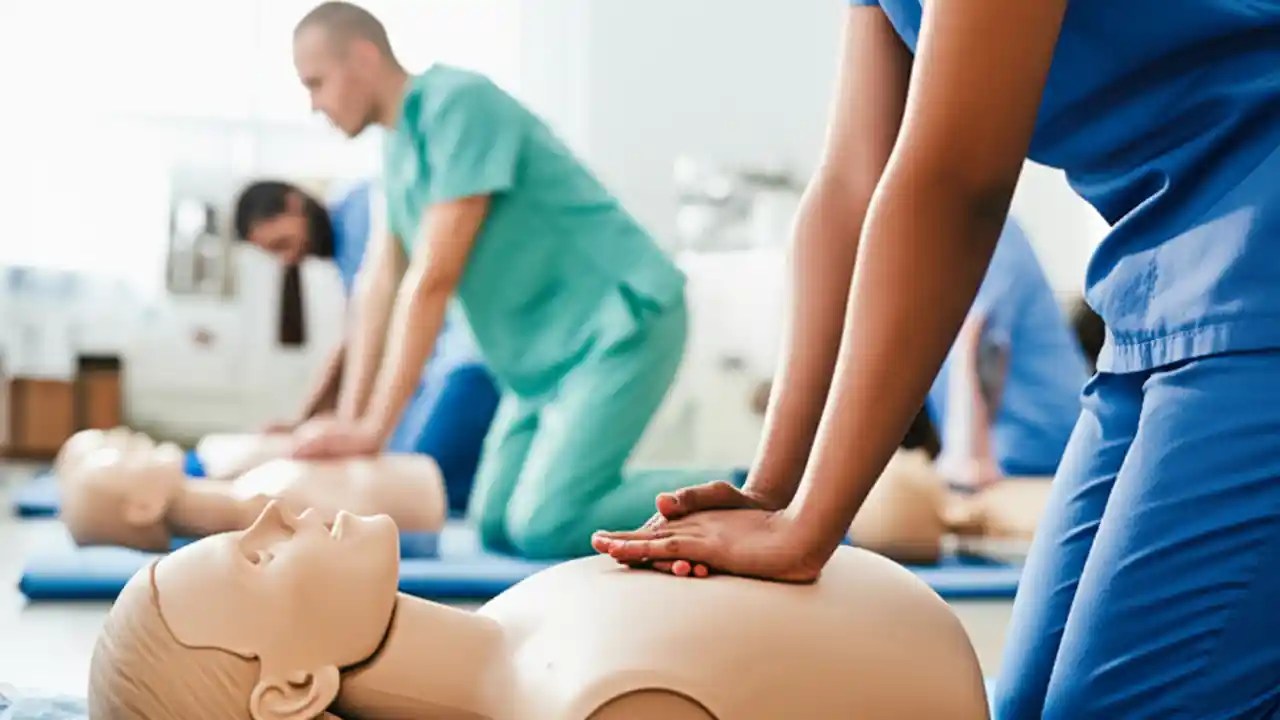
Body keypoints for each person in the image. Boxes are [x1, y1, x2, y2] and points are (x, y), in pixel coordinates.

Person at [594, 0, 1280, 717]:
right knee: (1028, 706)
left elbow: (956, 180)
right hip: (1156, 300)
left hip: (1256, 269)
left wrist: (810, 528)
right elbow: (853, 186)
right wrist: (774, 492)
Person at [285, 3, 721, 559]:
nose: (314, 104)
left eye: (316, 82)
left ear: (365, 57)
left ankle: (757, 489)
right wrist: (348, 425)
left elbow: (432, 279)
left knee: (546, 525)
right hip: (538, 363)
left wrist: (374, 430)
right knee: (494, 525)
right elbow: (377, 288)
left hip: (619, 319)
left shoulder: (459, 104)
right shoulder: (396, 150)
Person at [234, 179, 499, 513]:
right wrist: (302, 421)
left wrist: (354, 424)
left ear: (295, 204)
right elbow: (355, 337)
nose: (288, 258)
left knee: (413, 476)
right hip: (430, 369)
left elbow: (374, 322)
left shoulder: (362, 211)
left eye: (284, 243)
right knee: (392, 461)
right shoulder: (343, 245)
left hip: (465, 360)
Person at [930, 218, 1085, 488]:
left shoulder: (986, 227)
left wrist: (965, 460)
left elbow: (980, 341)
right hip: (1006, 457)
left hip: (1049, 461)